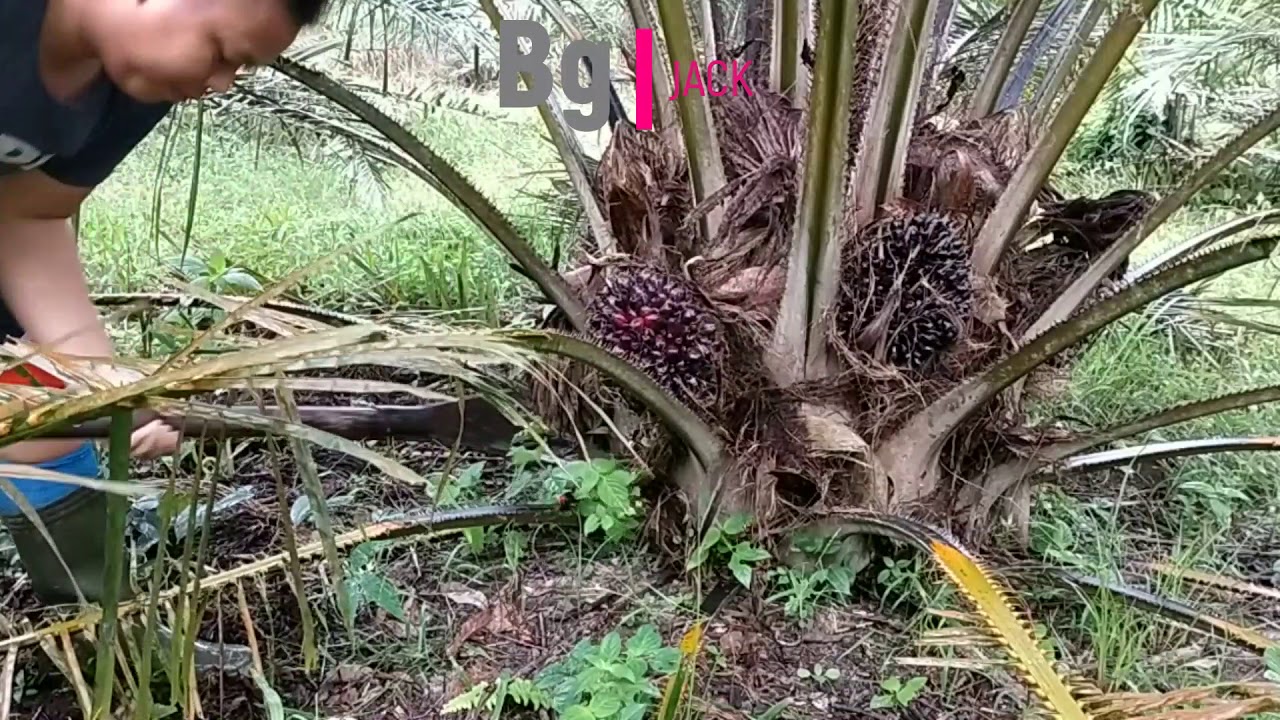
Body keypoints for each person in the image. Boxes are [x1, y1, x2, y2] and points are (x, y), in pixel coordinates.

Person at [0, 0, 332, 604]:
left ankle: (96, 631)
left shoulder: (130, 86)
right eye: (223, 53)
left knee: (46, 406)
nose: (220, 84)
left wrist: (110, 390)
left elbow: (30, 214)